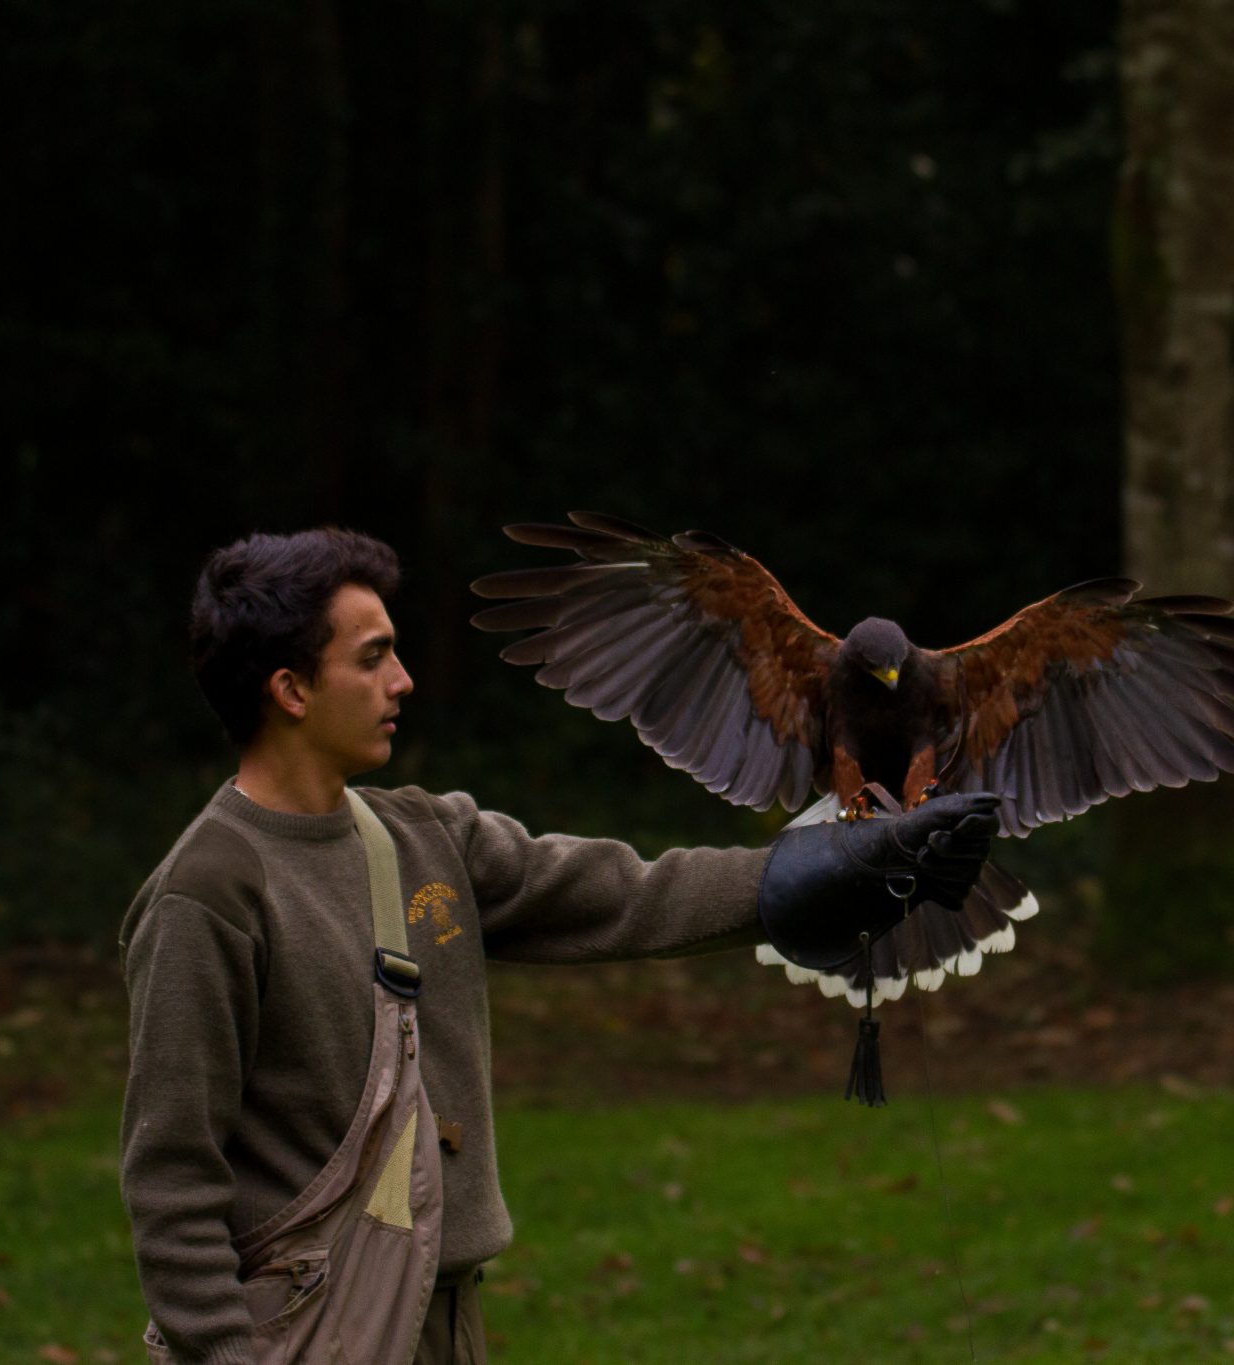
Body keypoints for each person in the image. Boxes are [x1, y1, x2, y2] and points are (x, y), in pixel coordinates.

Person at [118, 527, 1000, 1365]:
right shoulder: (211, 894)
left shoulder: (424, 838)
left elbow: (630, 893)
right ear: (291, 689)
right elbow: (173, 1184)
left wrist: (837, 866)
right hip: (306, 1336)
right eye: (373, 656)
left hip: (446, 1318)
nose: (405, 680)